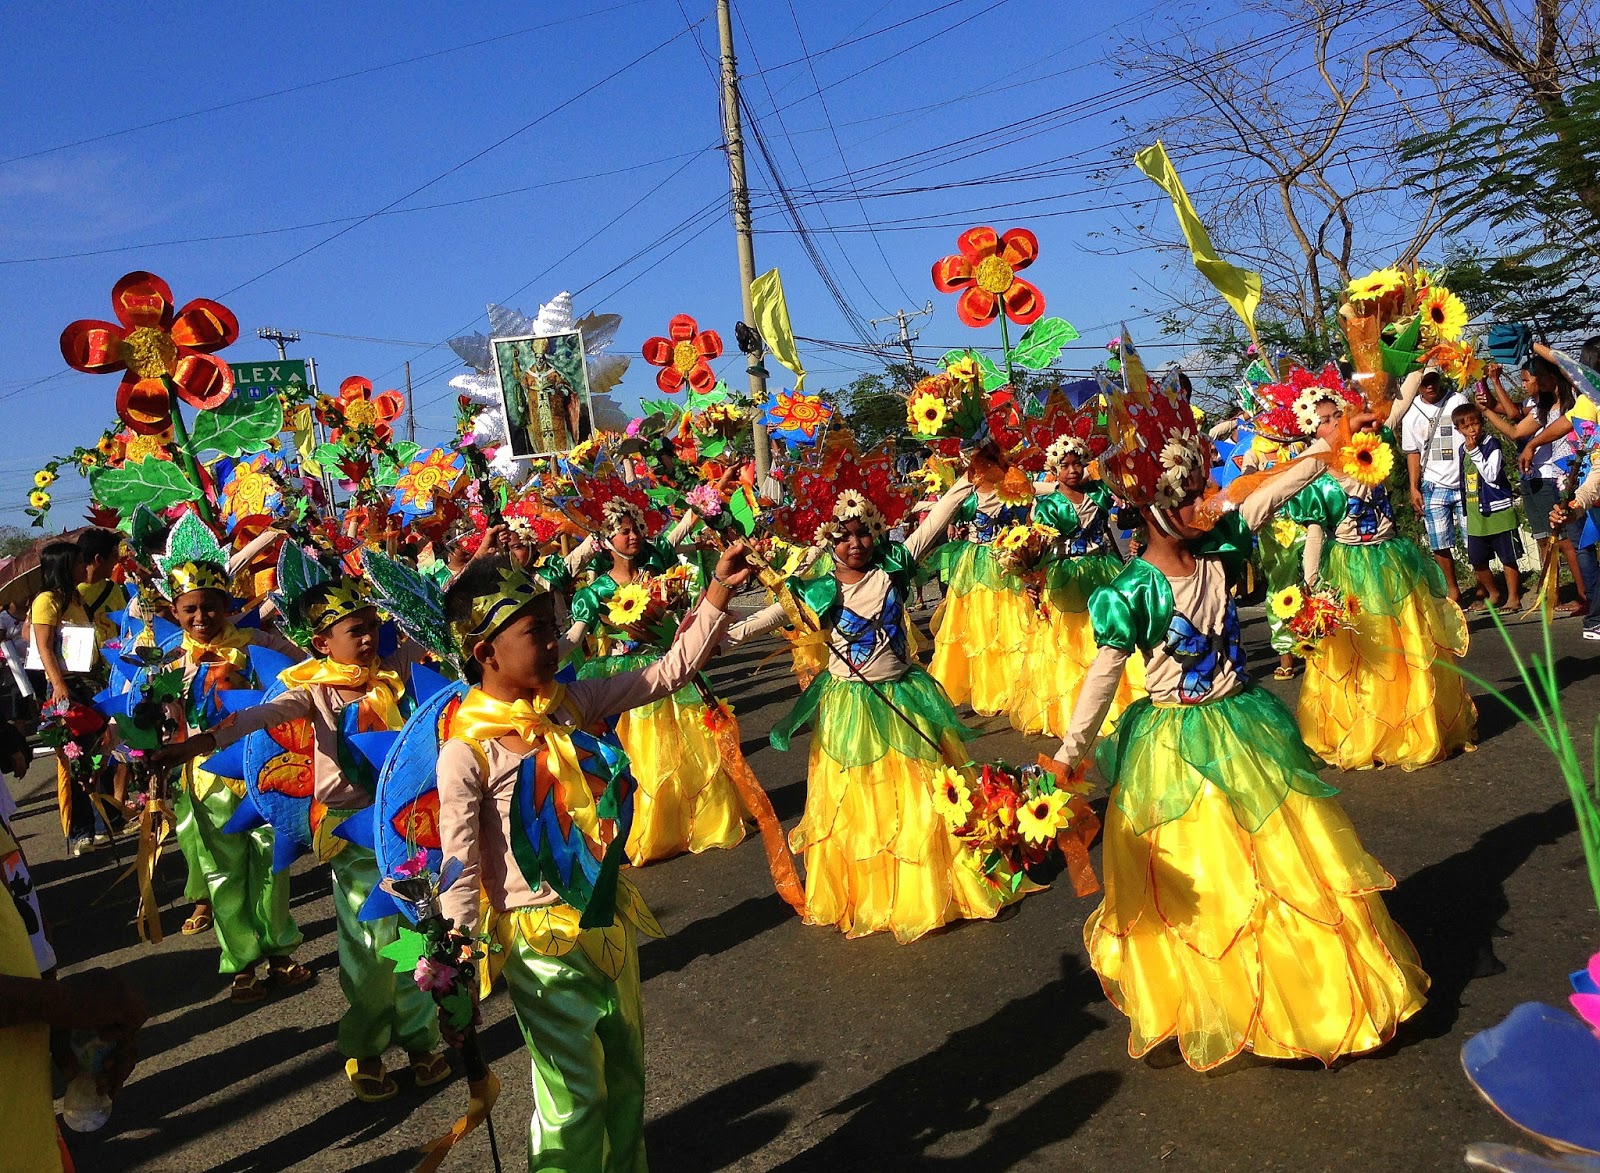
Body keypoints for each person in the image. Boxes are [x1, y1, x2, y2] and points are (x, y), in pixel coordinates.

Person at [1053, 367, 1428, 1072]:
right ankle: (1218, 994)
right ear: (1155, 510)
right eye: (1190, 495)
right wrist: (1068, 754)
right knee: (1206, 877)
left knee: (1282, 862)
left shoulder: (1224, 543)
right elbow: (1102, 678)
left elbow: (1272, 488)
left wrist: (1327, 449)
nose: (1207, 500)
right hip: (1170, 740)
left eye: (1202, 490)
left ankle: (1301, 990)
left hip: (1242, 725)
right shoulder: (1131, 590)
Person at [436, 545, 751, 1173]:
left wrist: (715, 595)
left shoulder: (572, 704)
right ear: (486, 652)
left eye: (553, 628)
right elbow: (460, 861)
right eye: (535, 633)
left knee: (626, 1065)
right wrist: (458, 954)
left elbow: (665, 674)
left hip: (605, 913)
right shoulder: (465, 749)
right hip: (538, 941)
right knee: (572, 1094)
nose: (553, 644)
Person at [150, 573, 447, 1101]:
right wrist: (206, 739)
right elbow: (263, 714)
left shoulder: (396, 670)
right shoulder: (311, 689)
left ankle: (421, 1035)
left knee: (419, 938)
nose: (365, 638)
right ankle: (367, 1046)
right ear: (321, 643)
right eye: (354, 630)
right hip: (355, 840)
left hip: (413, 832)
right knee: (368, 950)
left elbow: (441, 635)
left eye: (371, 627)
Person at [725, 466, 1040, 943]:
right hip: (850, 706)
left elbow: (931, 528)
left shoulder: (893, 567)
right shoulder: (820, 589)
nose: (856, 544)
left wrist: (963, 483)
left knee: (921, 790)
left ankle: (931, 881)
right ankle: (875, 889)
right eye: (845, 536)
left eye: (864, 534)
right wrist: (724, 631)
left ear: (876, 535)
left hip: (902, 693)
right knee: (860, 797)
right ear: (831, 540)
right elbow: (772, 617)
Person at [153, 516, 311, 1001]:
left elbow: (305, 677)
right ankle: (239, 959)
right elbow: (146, 721)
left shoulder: (260, 645)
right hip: (206, 781)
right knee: (223, 872)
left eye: (210, 606)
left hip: (266, 770)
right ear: (175, 612)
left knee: (272, 864)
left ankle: (280, 949)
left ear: (226, 605)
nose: (201, 617)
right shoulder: (162, 660)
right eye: (190, 609)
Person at [1290, 371, 1477, 770]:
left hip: (1392, 560)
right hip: (1350, 566)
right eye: (1322, 420)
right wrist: (1311, 587)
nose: (1332, 423)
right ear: (1311, 429)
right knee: (1364, 651)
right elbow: (1315, 535)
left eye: (1335, 414)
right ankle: (1365, 728)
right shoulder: (1316, 471)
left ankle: (1410, 726)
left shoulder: (1373, 445)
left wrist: (1412, 362)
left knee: (1407, 644)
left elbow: (1399, 404)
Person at [565, 496, 748, 866]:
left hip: (669, 665)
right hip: (627, 676)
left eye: (635, 530)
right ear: (606, 540)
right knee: (642, 757)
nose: (632, 537)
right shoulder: (594, 591)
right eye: (623, 532)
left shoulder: (659, 576)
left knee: (685, 750)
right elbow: (576, 635)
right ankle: (649, 829)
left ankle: (693, 822)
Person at [1010, 430, 1144, 738]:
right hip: (1064, 576)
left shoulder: (1097, 493)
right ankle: (1074, 708)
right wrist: (1032, 580)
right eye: (1066, 465)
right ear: (1055, 470)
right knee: (1069, 637)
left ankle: (1116, 701)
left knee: (1105, 631)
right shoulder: (1047, 505)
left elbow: (1121, 517)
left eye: (1077, 464)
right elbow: (1039, 545)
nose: (1073, 471)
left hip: (1102, 569)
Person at [1483, 357, 1585, 614]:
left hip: (1561, 474)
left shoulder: (1574, 397)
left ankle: (1586, 596)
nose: (1525, 384)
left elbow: (1517, 423)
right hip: (1546, 476)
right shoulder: (1544, 406)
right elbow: (1517, 429)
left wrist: (1531, 444)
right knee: (1546, 539)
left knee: (1568, 541)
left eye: (1528, 379)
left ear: (1545, 377)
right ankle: (1554, 594)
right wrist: (1487, 394)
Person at [29, 541, 112, 855]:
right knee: (74, 757)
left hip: (90, 680)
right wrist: (59, 685)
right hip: (68, 686)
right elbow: (44, 647)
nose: (84, 567)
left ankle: (102, 817)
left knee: (100, 749)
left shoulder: (75, 597)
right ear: (65, 566)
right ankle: (81, 831)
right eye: (78, 563)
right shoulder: (47, 600)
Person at [1400, 369, 1467, 603]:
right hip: (1433, 482)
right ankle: (1452, 588)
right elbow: (1413, 453)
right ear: (1417, 385)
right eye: (1425, 382)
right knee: (1439, 541)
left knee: (1475, 538)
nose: (1430, 386)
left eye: (1434, 380)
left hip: (1464, 481)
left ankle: (1484, 585)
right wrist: (1413, 487)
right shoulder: (1411, 414)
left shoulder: (1457, 400)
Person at [1455, 402, 1523, 611]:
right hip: (1475, 512)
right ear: (1458, 430)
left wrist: (1475, 451)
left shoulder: (1491, 444)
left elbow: (1492, 475)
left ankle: (1514, 596)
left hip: (1498, 508)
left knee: (1508, 556)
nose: (1471, 430)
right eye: (1466, 427)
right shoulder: (1461, 449)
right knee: (1477, 558)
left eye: (1475, 424)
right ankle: (1494, 593)